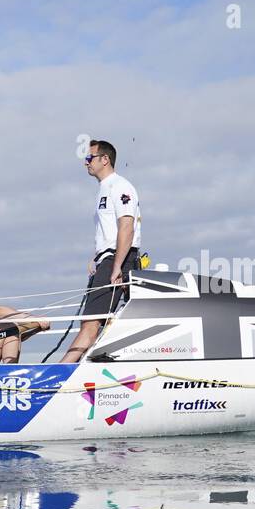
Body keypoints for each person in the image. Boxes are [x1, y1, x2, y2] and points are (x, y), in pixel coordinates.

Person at [61, 140, 142, 363]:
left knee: (91, 323)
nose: (86, 163)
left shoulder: (120, 186)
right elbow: (109, 231)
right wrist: (96, 257)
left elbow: (127, 225)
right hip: (108, 259)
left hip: (119, 260)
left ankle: (57, 377)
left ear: (104, 159)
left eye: (89, 158)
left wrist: (116, 266)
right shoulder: (104, 189)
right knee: (97, 322)